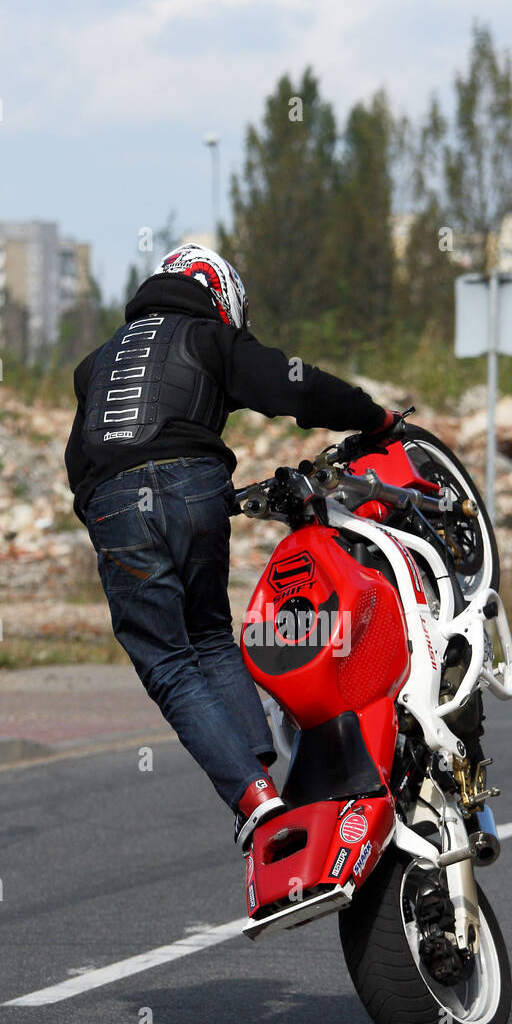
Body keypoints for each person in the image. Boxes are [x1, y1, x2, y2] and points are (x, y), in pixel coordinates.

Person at [64, 243, 397, 848]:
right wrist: (372, 418)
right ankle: (272, 777)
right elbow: (295, 385)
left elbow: (78, 460)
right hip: (195, 485)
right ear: (222, 298)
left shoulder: (97, 363)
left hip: (115, 500)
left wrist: (110, 524)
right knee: (210, 633)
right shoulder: (208, 337)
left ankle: (256, 799)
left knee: (167, 659)